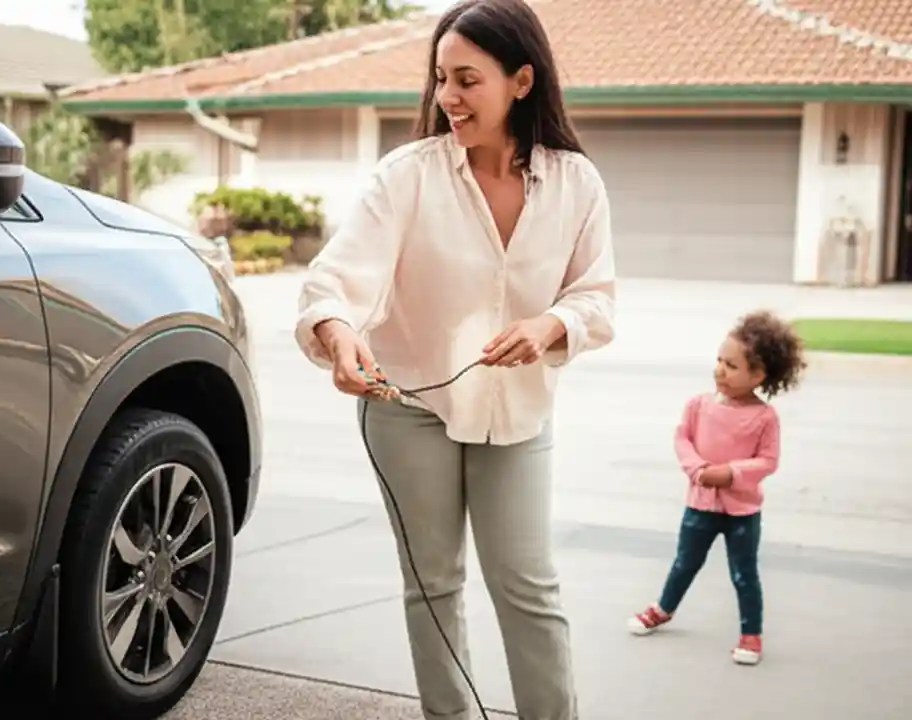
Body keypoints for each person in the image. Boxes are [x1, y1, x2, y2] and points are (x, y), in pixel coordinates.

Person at [293, 1, 615, 718]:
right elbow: (333, 281)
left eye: (467, 80)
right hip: (407, 407)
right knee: (432, 586)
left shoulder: (576, 183)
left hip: (519, 414)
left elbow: (597, 297)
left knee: (527, 585)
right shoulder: (405, 176)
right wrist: (339, 335)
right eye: (441, 78)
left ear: (522, 81)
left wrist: (550, 324)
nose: (448, 97)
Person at [628, 311, 806, 666]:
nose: (720, 370)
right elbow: (682, 439)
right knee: (685, 563)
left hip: (742, 513)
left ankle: (751, 633)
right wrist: (697, 470)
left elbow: (768, 461)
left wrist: (730, 474)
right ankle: (663, 608)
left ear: (758, 375)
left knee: (744, 573)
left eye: (732, 365)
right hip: (699, 507)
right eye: (719, 361)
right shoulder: (698, 406)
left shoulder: (764, 418)